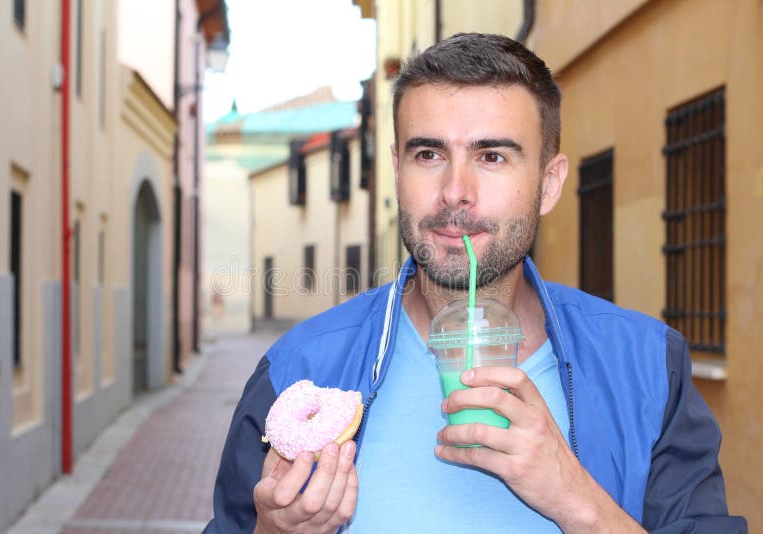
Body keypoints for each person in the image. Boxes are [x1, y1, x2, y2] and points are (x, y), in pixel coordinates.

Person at [204, 33, 746, 533]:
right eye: (428, 154)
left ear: (549, 184)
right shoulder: (299, 370)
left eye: (491, 156)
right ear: (397, 170)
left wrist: (579, 501)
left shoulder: (648, 368)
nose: (455, 191)